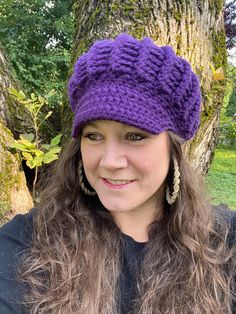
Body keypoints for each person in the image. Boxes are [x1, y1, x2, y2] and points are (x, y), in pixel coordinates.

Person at [0, 33, 235, 314]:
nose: (110, 161)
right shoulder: (25, 244)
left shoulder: (224, 247)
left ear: (174, 147)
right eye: (94, 135)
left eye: (135, 136)